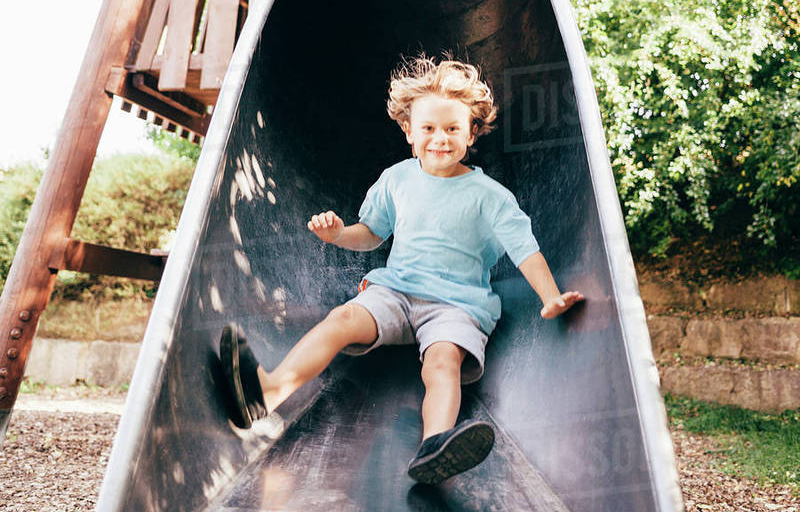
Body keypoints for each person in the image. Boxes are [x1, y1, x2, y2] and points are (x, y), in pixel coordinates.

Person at [220, 55, 584, 484]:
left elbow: (525, 250)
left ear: (472, 132)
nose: (440, 139)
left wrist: (550, 297)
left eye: (452, 129)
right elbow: (373, 234)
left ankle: (435, 446)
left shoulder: (490, 196)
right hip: (395, 292)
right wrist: (339, 234)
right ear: (409, 132)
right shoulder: (396, 179)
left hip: (457, 305)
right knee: (342, 319)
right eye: (429, 128)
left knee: (442, 364)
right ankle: (268, 391)